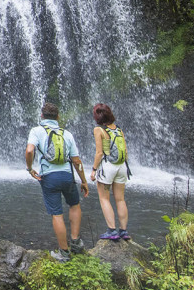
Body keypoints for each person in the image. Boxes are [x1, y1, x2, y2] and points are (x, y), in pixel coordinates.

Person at [25, 102, 89, 261]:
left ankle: (64, 252)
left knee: (57, 214)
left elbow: (29, 150)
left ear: (41, 116)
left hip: (49, 177)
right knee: (74, 205)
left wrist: (30, 168)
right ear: (58, 117)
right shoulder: (66, 134)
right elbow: (77, 160)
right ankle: (75, 242)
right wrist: (84, 181)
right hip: (67, 175)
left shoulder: (37, 131)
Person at [90, 103, 131, 241]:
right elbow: (125, 151)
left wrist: (94, 170)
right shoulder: (118, 129)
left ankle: (112, 230)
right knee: (120, 199)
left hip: (108, 167)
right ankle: (123, 231)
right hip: (122, 166)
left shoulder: (99, 130)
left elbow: (100, 153)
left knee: (104, 198)